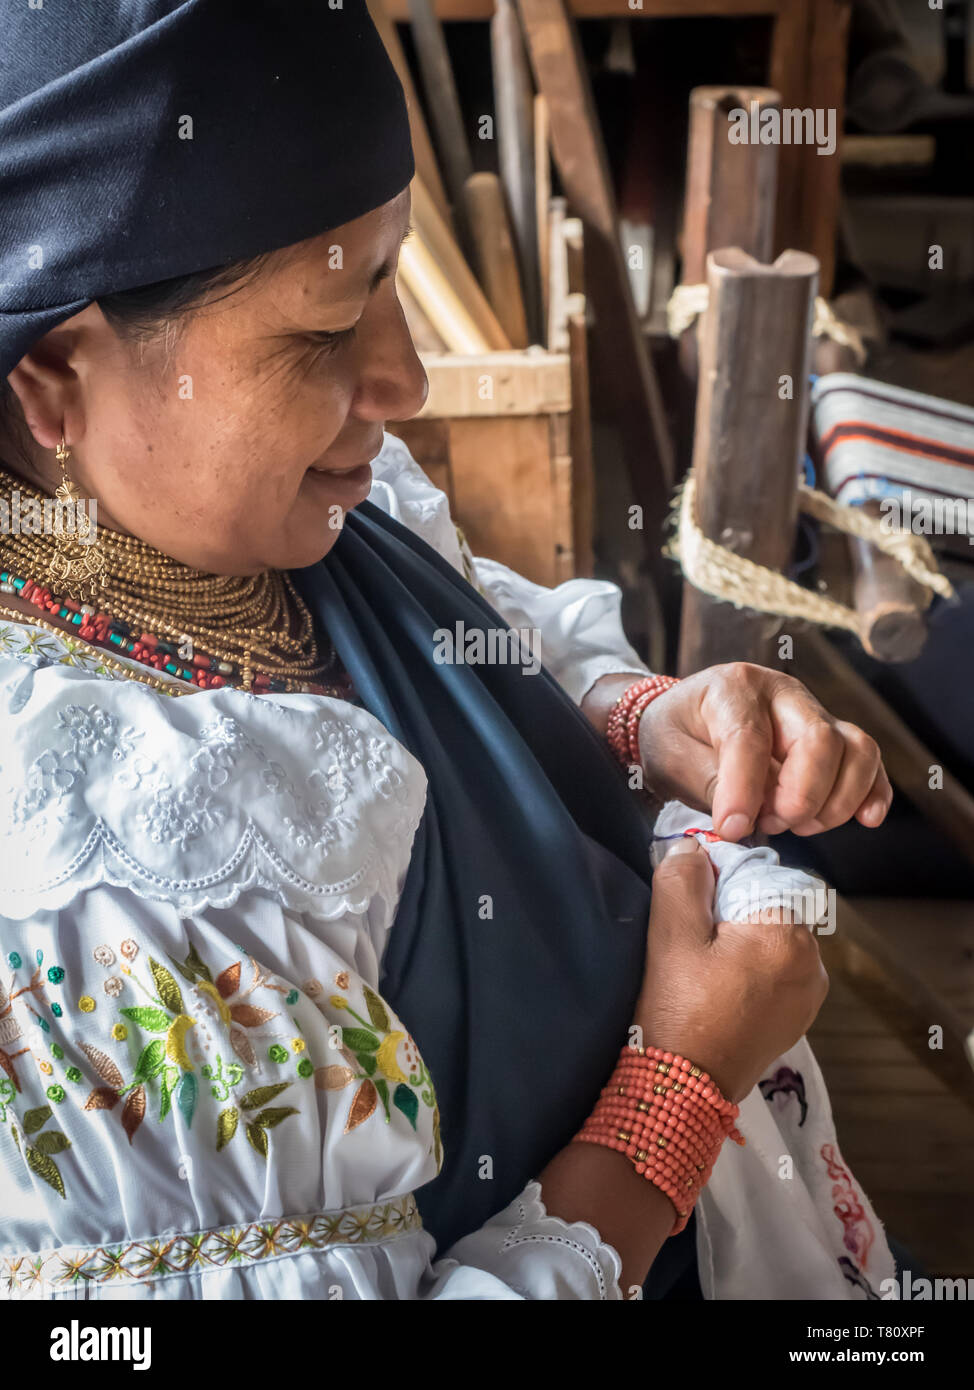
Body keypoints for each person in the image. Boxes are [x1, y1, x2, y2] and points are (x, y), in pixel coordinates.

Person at [0, 0, 893, 1300]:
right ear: (52, 384)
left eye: (388, 279)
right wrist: (676, 1090)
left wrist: (641, 716)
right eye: (319, 331)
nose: (405, 379)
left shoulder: (287, 513)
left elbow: (474, 626)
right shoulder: (96, 872)